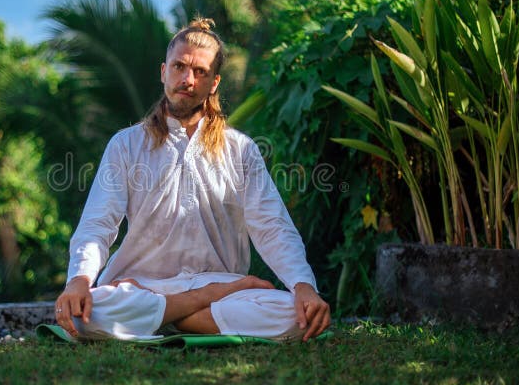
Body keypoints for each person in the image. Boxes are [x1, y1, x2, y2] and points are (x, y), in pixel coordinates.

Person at [55, 18, 330, 342]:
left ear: (214, 82)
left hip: (219, 287)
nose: (187, 79)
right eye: (179, 67)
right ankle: (193, 312)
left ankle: (163, 319)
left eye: (200, 72)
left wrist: (303, 286)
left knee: (294, 316)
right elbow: (98, 223)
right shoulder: (126, 144)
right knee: (86, 310)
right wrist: (80, 279)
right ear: (163, 71)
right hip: (141, 286)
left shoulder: (240, 149)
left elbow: (272, 225)